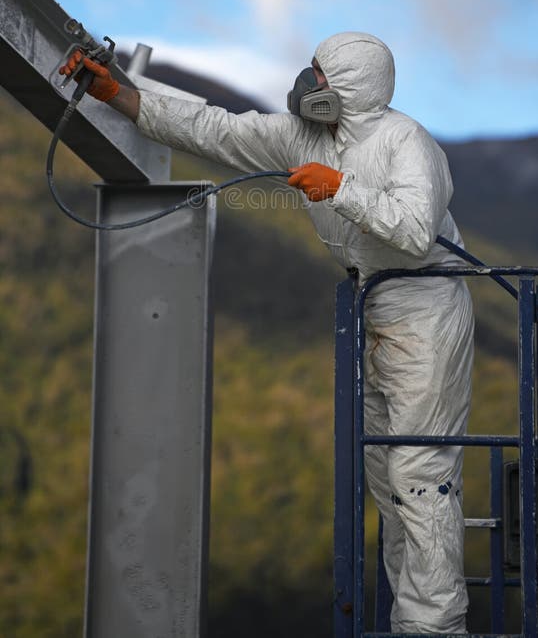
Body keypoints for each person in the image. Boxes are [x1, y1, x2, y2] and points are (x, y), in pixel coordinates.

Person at [60, 31, 474, 633]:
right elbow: (215, 130)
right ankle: (412, 619)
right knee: (388, 480)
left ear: (352, 87)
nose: (306, 82)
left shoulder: (404, 142)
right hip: (374, 303)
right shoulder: (302, 136)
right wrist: (119, 95)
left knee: (420, 475)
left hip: (426, 307)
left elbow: (414, 232)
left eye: (319, 73)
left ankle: (436, 627)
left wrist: (341, 189)